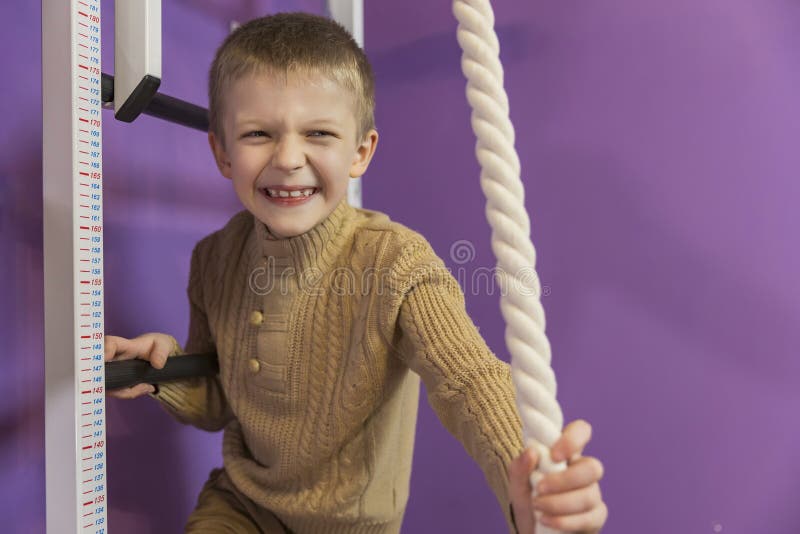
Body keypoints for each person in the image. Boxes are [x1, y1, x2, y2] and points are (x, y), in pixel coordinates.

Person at [105, 12, 607, 534]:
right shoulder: (214, 258)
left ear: (360, 152)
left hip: (350, 524)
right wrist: (161, 373)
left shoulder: (397, 264)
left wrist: (525, 483)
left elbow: (471, 384)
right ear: (222, 152)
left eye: (319, 133)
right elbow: (217, 403)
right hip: (243, 506)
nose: (288, 158)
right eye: (257, 134)